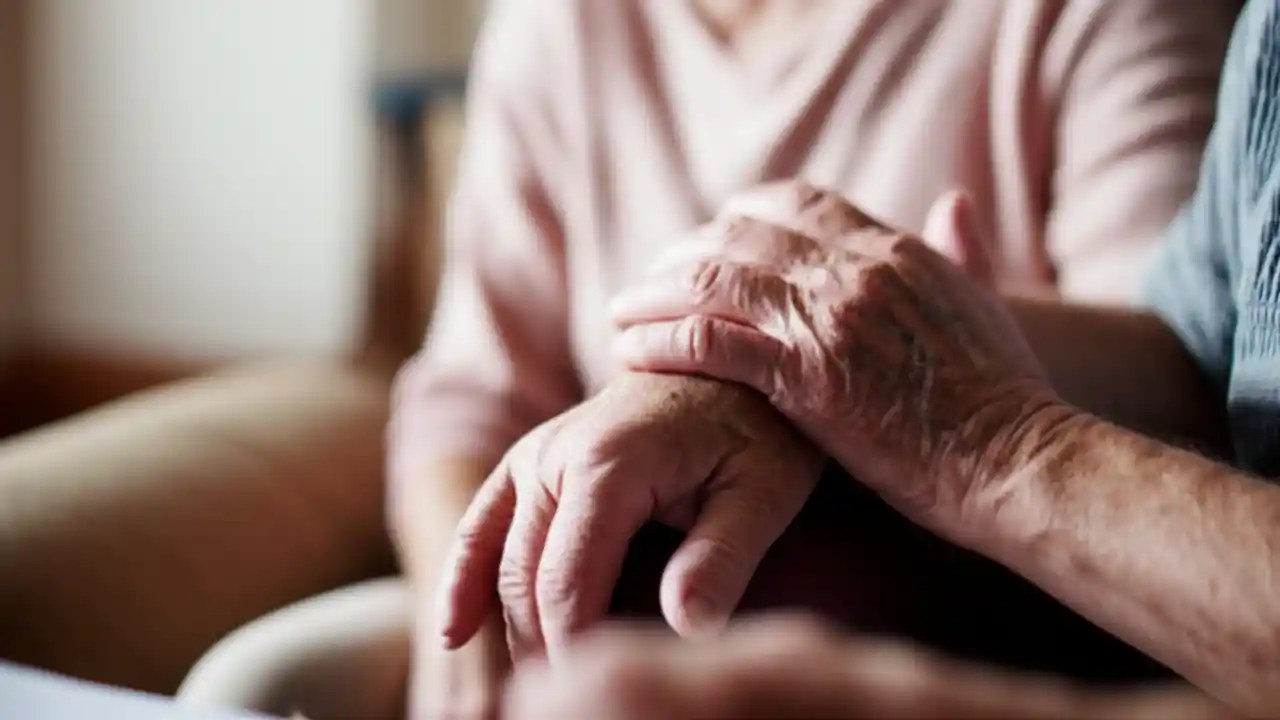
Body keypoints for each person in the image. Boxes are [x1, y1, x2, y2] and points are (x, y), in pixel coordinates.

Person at [177, 1, 1232, 718]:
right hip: (605, 609)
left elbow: (1173, 370)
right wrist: (467, 638)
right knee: (256, 683)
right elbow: (467, 396)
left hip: (961, 621)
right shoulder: (563, 24)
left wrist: (772, 381)